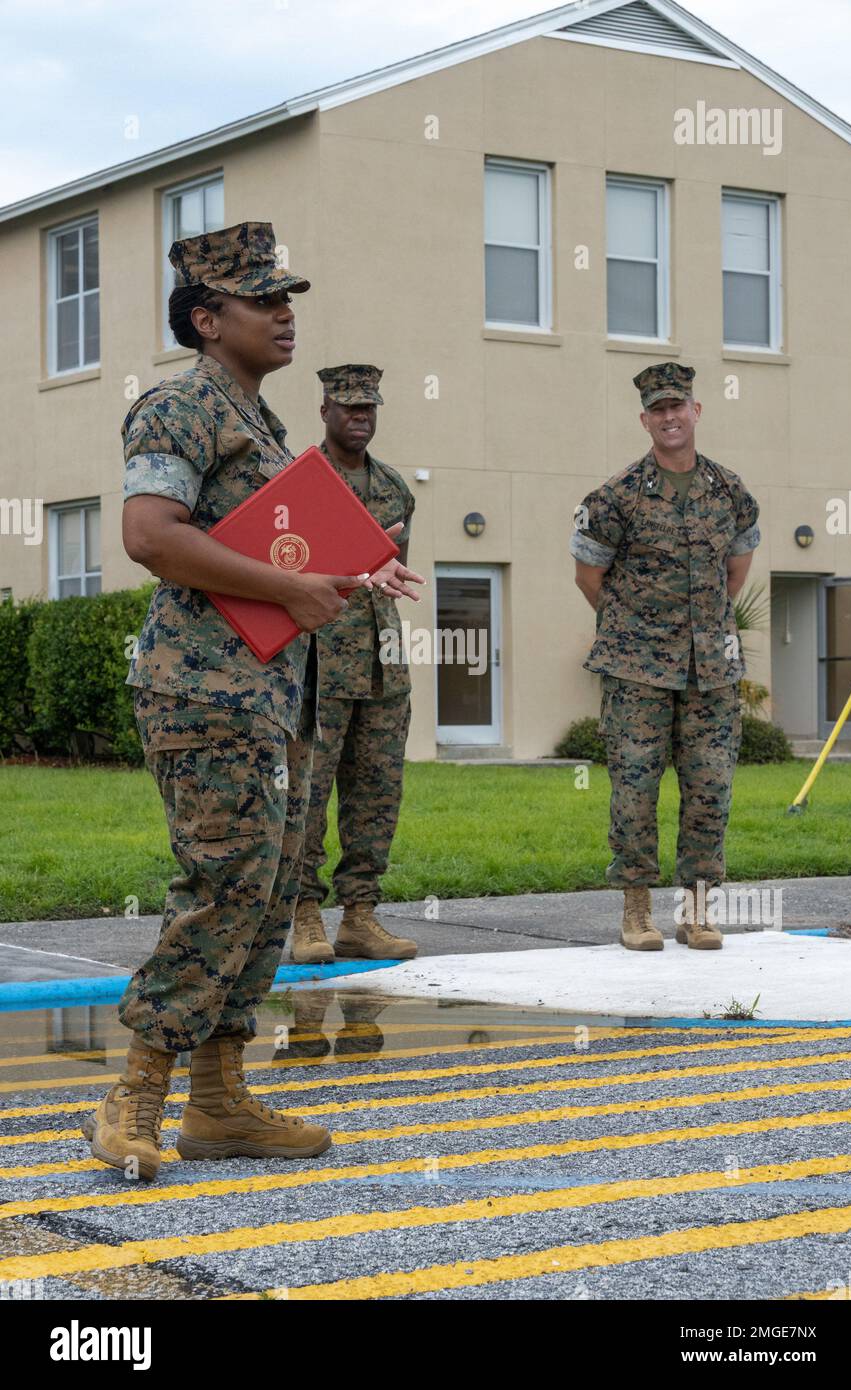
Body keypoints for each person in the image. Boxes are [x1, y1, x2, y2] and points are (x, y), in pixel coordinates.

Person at [83, 223, 422, 1181]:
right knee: (226, 884)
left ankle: (220, 1101)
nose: (285, 314)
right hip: (203, 691)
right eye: (264, 299)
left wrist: (351, 566)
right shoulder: (179, 406)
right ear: (204, 317)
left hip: (272, 694)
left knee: (270, 895)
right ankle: (133, 1095)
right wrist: (288, 589)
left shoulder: (264, 425)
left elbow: (271, 554)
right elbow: (151, 534)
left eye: (289, 298)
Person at [571, 363, 760, 952]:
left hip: (711, 673)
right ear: (644, 420)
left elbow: (736, 569)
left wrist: (700, 629)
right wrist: (638, 631)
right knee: (635, 787)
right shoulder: (616, 496)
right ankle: (636, 910)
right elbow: (588, 576)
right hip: (636, 672)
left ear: (696, 412)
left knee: (710, 788)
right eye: (658, 410)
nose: (670, 417)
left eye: (678, 406)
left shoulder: (730, 491)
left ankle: (698, 912)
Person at [291, 365, 418, 964]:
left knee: (376, 796)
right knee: (308, 796)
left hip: (382, 668)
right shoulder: (298, 484)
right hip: (317, 667)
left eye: (368, 408)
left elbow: (391, 576)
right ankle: (304, 915)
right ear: (324, 413)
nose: (359, 417)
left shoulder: (395, 489)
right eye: (347, 408)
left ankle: (360, 917)